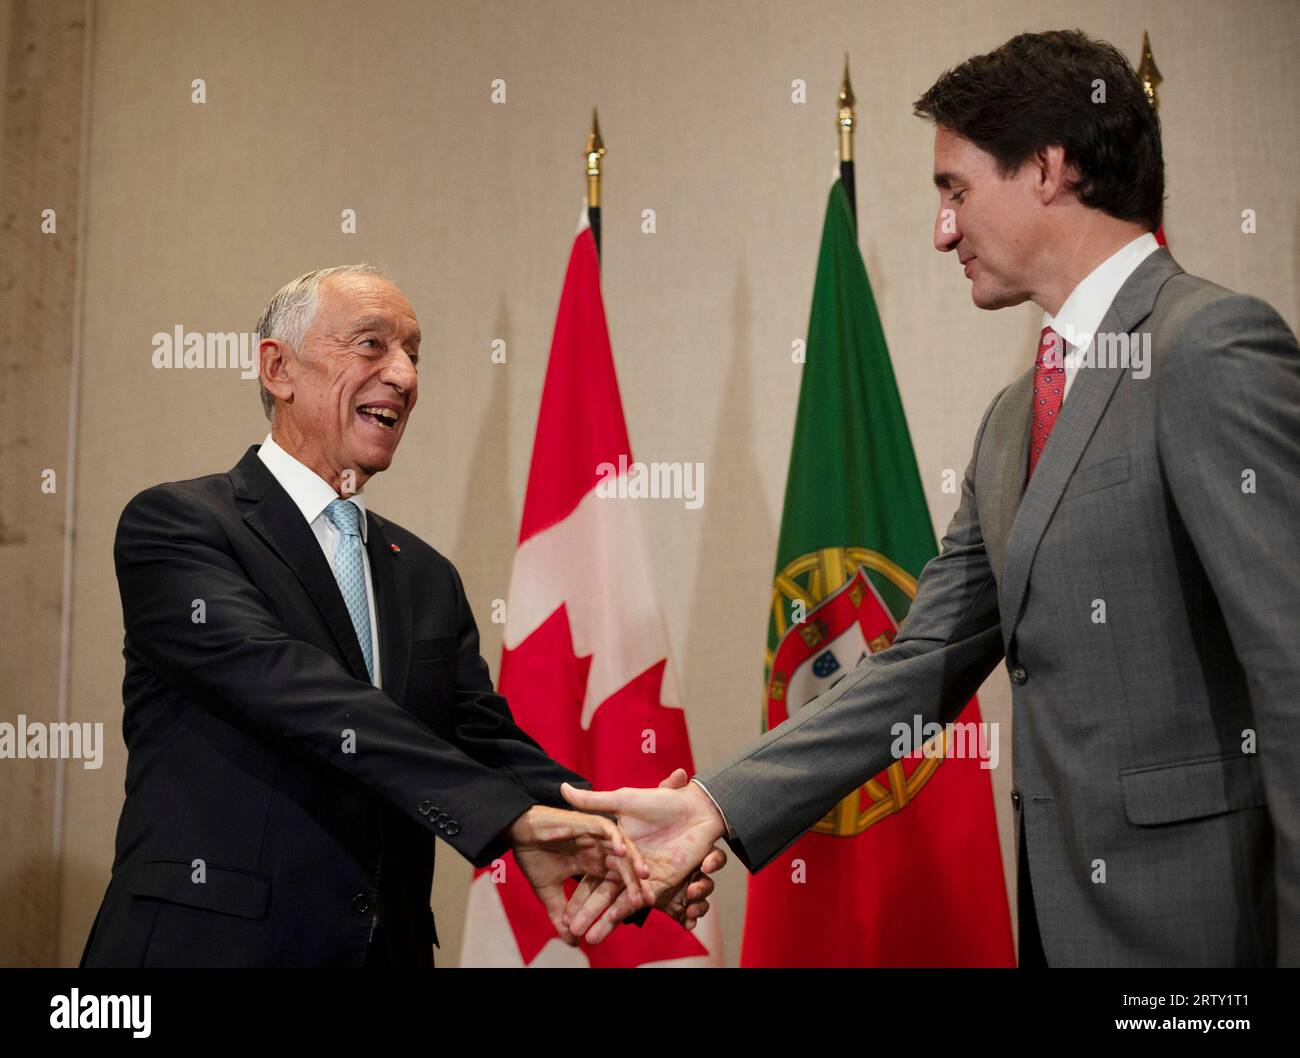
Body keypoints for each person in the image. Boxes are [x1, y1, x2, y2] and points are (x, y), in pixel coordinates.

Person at [560, 29, 1300, 968]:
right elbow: (918, 663)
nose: (940, 228)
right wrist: (712, 806)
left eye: (954, 188)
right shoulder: (1010, 421)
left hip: (1205, 947)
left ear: (1047, 168)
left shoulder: (1210, 345)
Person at [80, 264, 719, 967]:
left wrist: (616, 831)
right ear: (277, 368)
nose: (405, 377)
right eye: (372, 345)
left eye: (414, 354)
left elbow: (483, 739)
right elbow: (294, 689)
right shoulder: (179, 526)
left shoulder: (423, 575)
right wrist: (509, 818)